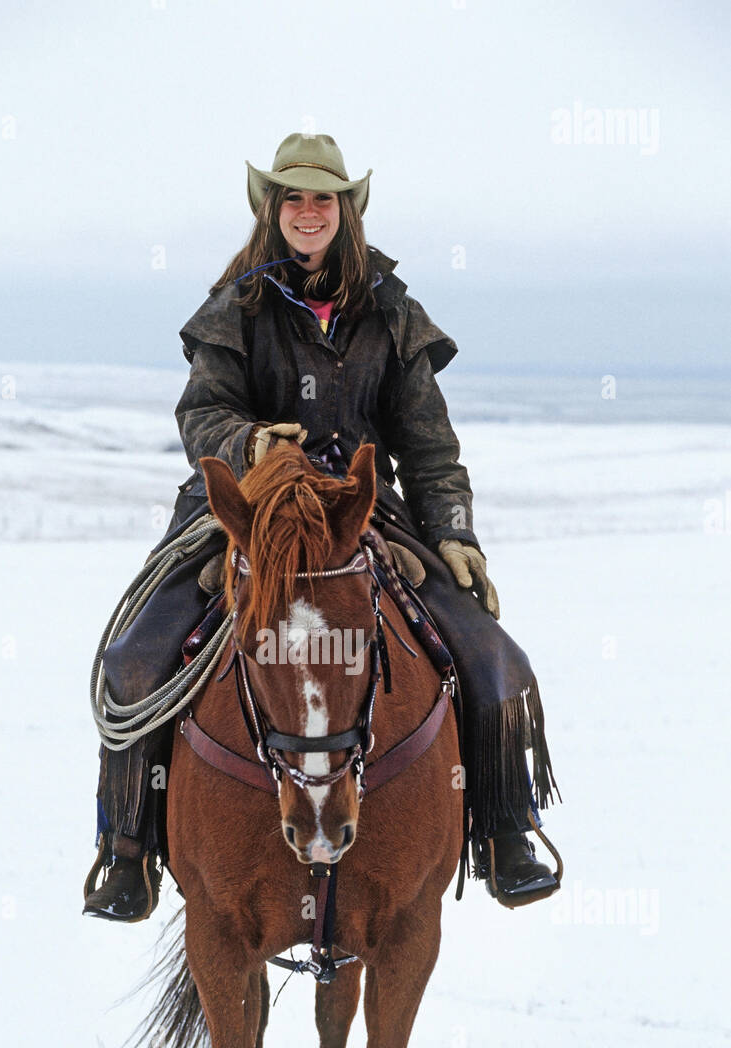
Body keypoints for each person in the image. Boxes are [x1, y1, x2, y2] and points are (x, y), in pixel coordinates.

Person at [83, 132, 562, 922]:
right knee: (135, 661)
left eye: (323, 198)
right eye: (293, 197)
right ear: (271, 210)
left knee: (491, 655)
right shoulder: (233, 306)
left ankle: (506, 832)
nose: (308, 211)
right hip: (243, 510)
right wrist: (250, 445)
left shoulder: (391, 310)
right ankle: (126, 852)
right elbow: (202, 413)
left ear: (346, 209)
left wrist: (452, 530)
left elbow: (426, 440)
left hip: (356, 510)